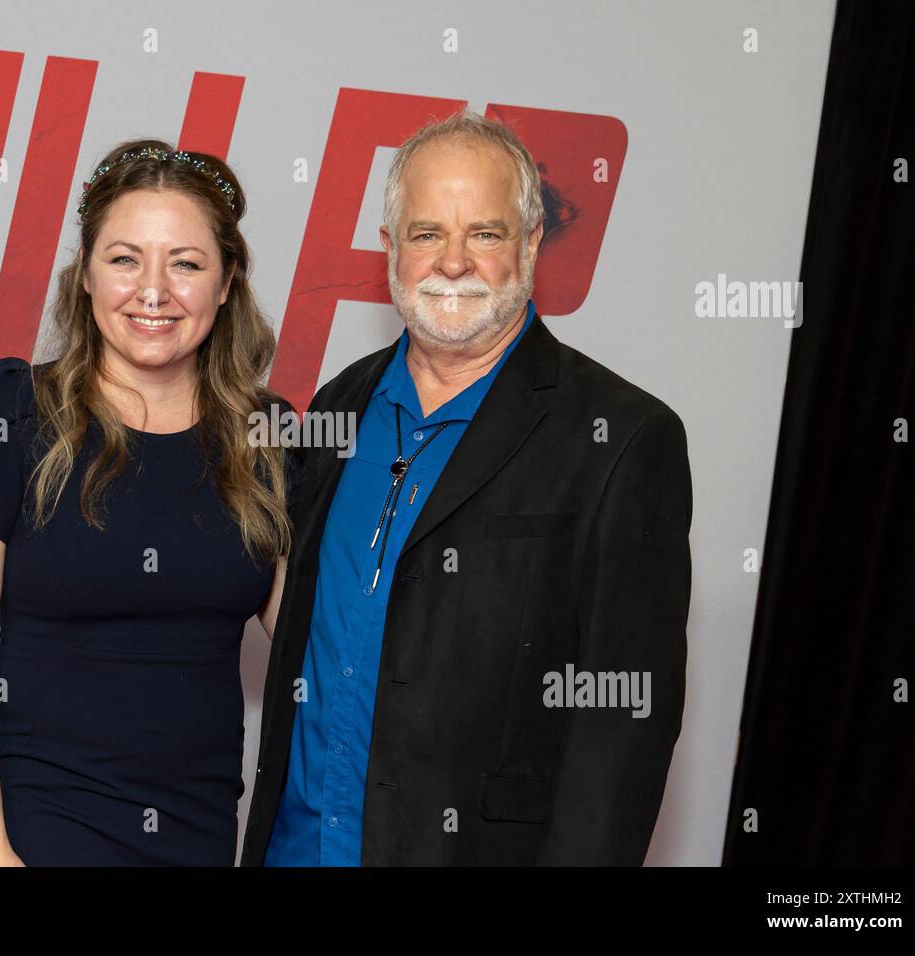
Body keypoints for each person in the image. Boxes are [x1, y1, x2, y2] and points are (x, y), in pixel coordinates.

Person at [242, 110, 693, 866]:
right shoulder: (338, 408)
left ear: (530, 243)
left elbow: (623, 727)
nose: (452, 263)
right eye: (426, 234)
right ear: (390, 249)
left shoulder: (620, 438)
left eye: (483, 233)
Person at [0, 139, 298, 866]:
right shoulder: (11, 416)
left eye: (186, 263)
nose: (152, 290)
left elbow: (308, 646)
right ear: (86, 276)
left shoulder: (269, 440)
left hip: (202, 831)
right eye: (125, 258)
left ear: (225, 285)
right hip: (40, 825)